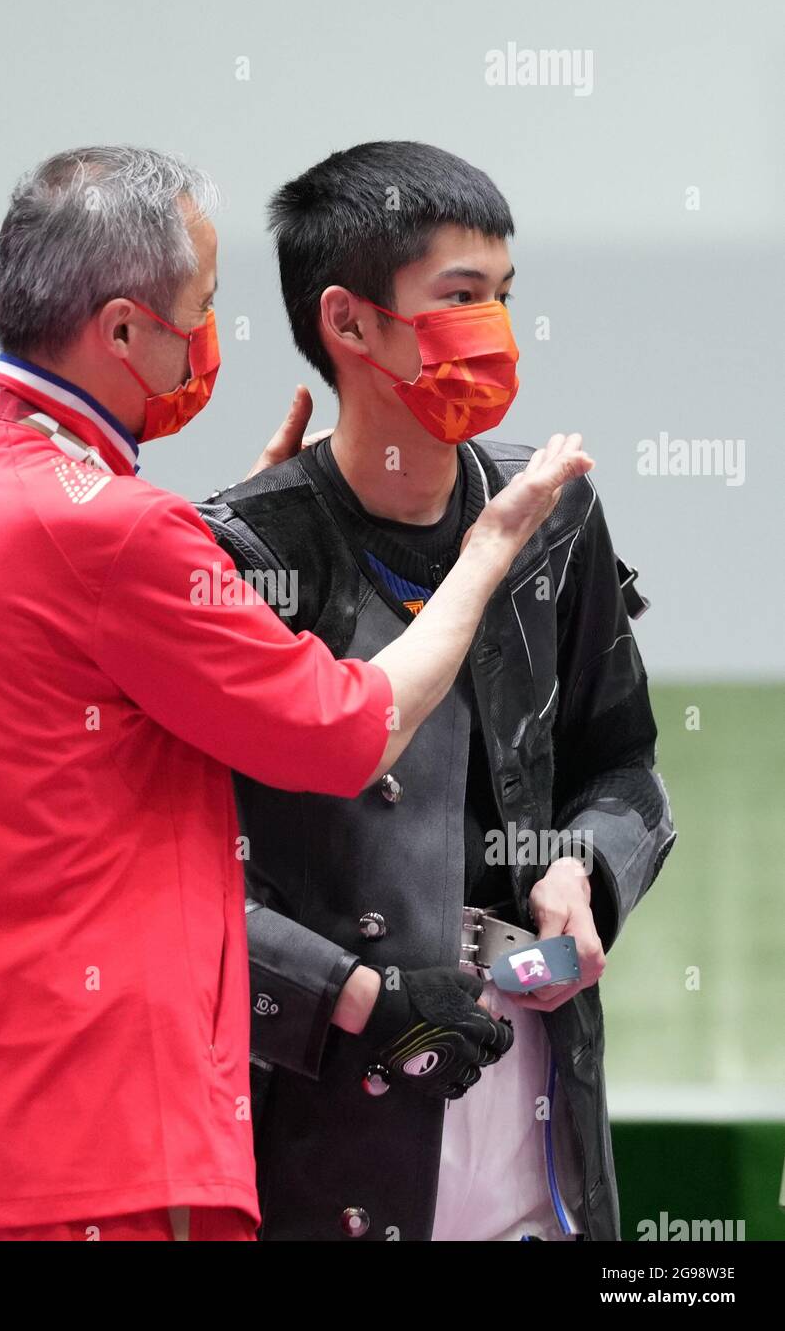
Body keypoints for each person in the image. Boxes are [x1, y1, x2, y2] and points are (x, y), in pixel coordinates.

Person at [0, 145, 590, 1242]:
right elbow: (347, 729)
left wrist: (212, 562)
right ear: (119, 331)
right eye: (196, 311)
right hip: (87, 1149)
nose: (207, 342)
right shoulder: (114, 532)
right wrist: (484, 551)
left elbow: (77, 697)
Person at [197, 140, 676, 1241]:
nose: (494, 332)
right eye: (459, 299)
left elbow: (626, 768)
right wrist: (350, 995)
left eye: (503, 297)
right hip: (332, 1118)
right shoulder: (242, 548)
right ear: (348, 322)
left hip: (536, 1090)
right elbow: (187, 877)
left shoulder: (553, 512)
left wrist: (583, 871)